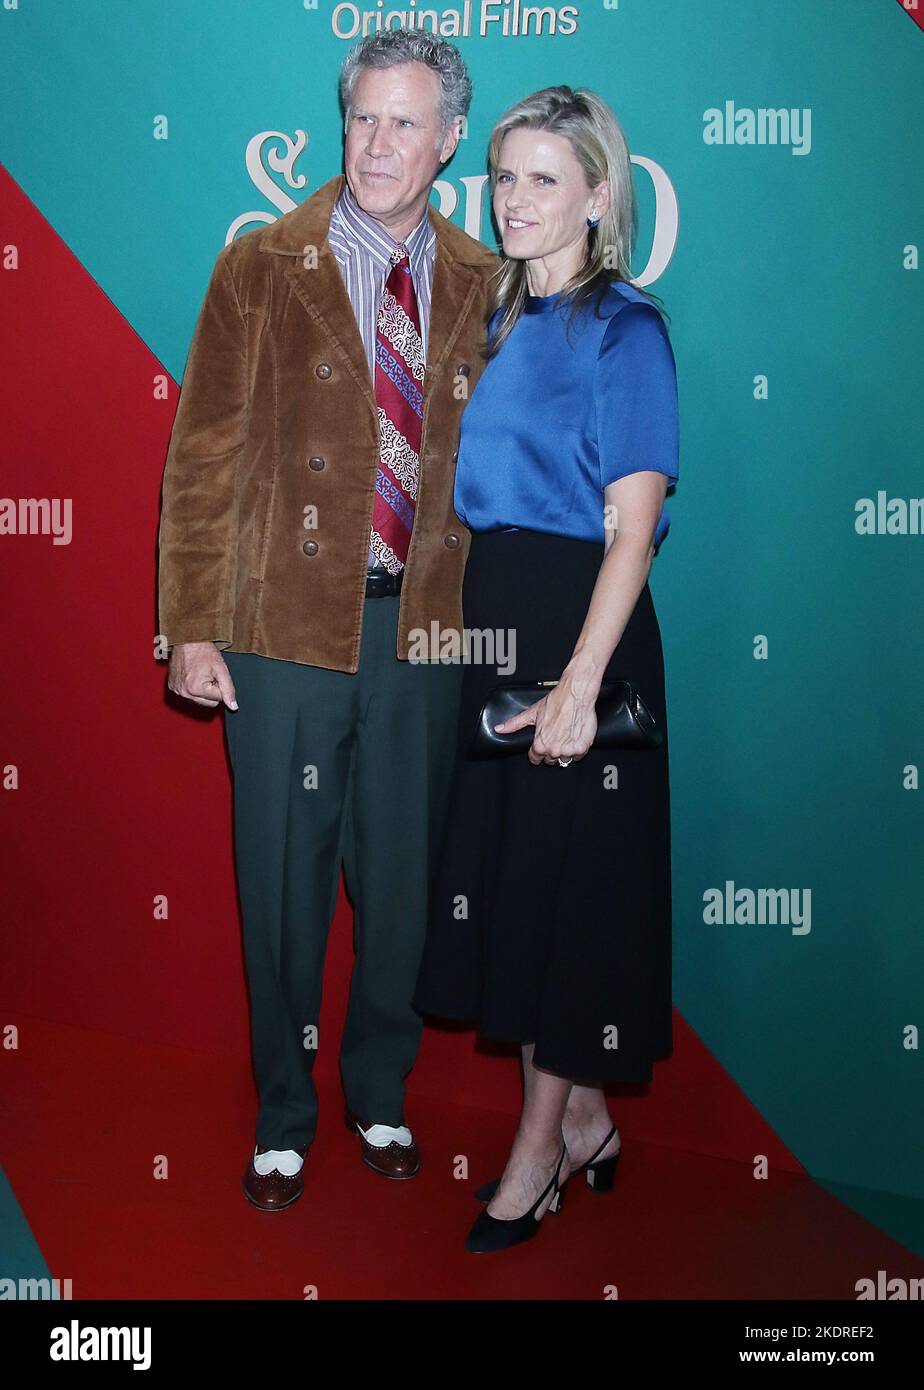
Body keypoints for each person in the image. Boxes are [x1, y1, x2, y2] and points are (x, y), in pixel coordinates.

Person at [157, 28, 500, 1211]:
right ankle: (285, 1111)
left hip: (425, 636)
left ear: (451, 141)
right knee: (285, 884)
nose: (378, 145)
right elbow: (201, 455)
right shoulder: (264, 266)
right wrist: (189, 624)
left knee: (402, 885)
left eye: (407, 122)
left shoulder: (482, 282)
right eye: (363, 118)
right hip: (282, 633)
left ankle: (382, 1092)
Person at [413, 86, 679, 1253]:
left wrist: (580, 680)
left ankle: (538, 1151)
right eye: (504, 176)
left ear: (597, 195)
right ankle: (590, 1122)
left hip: (586, 630)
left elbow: (634, 529)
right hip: (495, 626)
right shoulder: (493, 318)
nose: (515, 200)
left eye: (543, 179)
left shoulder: (627, 327)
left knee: (572, 893)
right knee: (527, 889)